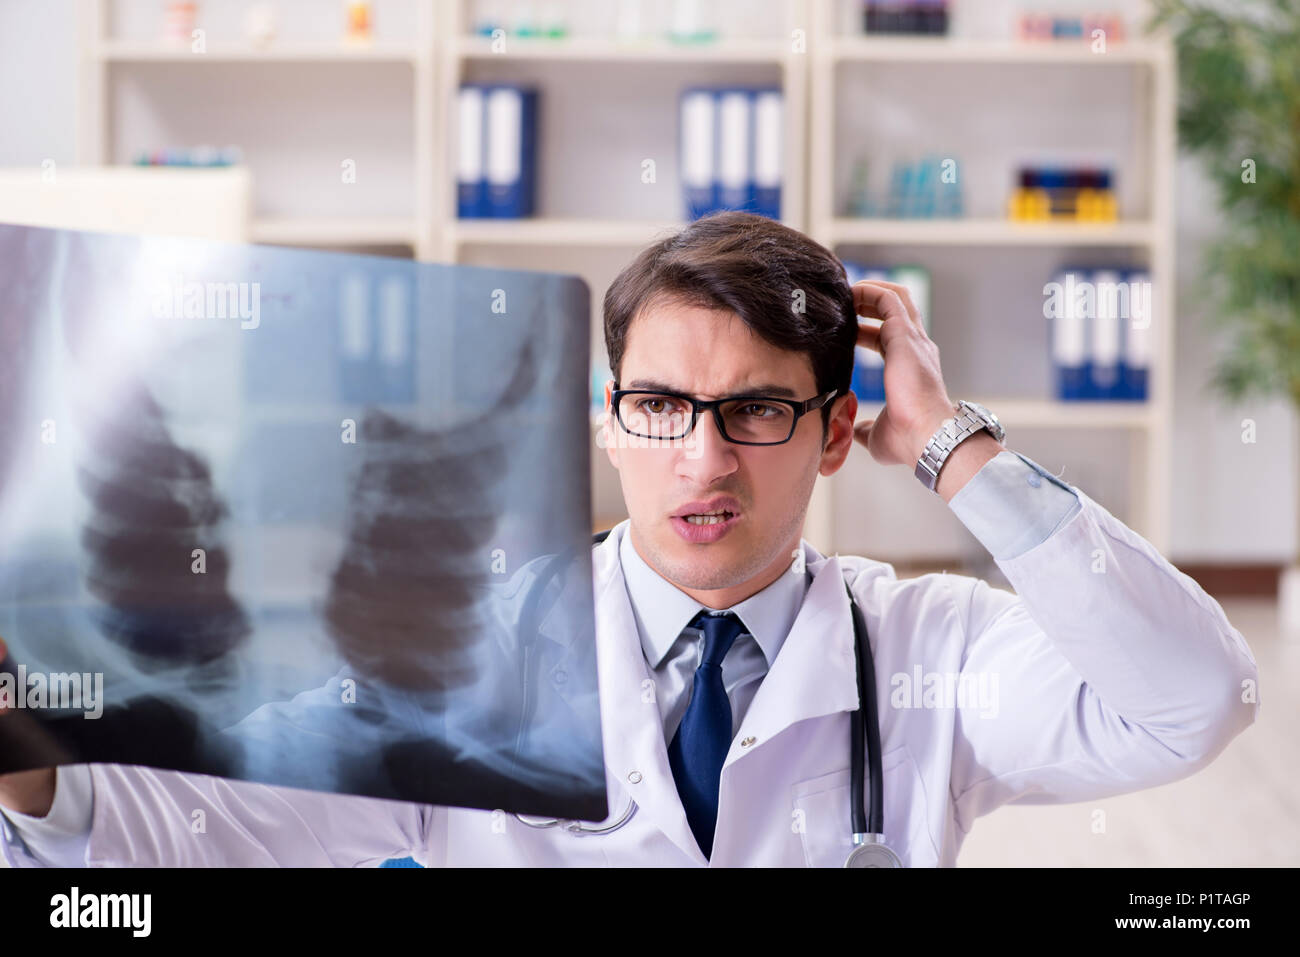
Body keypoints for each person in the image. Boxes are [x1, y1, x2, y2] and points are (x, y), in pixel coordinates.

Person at [0, 211, 1259, 867]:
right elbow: (190, 835)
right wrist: (30, 761)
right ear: (608, 421)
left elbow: (1192, 699)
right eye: (660, 406)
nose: (702, 460)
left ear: (835, 433)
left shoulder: (926, 652)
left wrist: (950, 445)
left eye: (756, 410)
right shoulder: (458, 654)